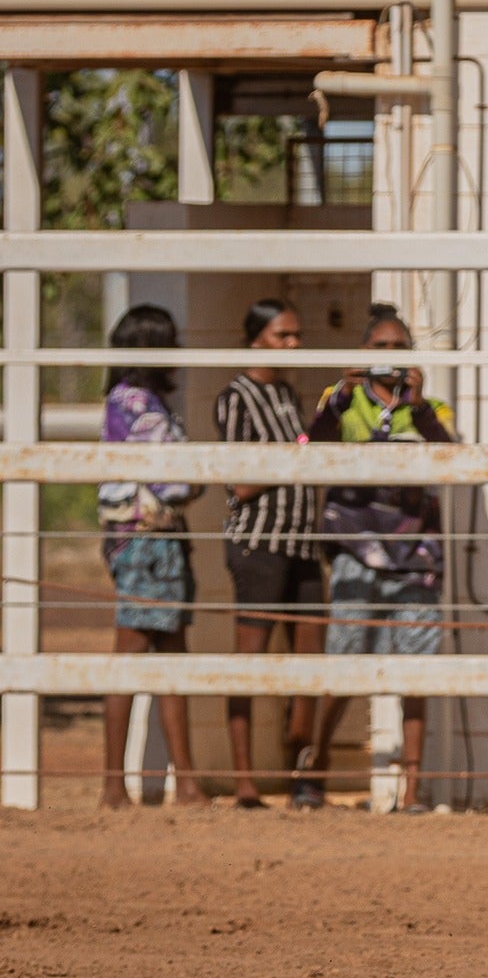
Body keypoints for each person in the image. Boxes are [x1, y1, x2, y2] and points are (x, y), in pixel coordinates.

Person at [302, 305, 454, 812]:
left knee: (416, 672)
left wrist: (419, 405)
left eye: (398, 350)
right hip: (355, 551)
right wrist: (343, 392)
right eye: (379, 350)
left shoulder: (431, 407)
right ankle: (313, 771)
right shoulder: (341, 402)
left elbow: (451, 456)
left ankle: (411, 791)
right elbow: (311, 444)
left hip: (416, 554)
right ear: (361, 356)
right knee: (342, 664)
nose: (388, 360)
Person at [214, 299, 326, 808]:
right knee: (249, 662)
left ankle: (302, 776)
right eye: (283, 336)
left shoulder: (285, 391)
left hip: (303, 542)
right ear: (256, 338)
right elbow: (240, 482)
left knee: (311, 664)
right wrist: (296, 456)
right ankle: (244, 781)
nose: (293, 345)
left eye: (296, 336)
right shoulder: (236, 397)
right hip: (259, 543)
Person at [96, 304, 205, 808]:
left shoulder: (134, 401)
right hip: (147, 538)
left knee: (168, 657)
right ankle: (117, 785)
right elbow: (172, 479)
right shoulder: (138, 403)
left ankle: (181, 782)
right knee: (135, 654)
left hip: (150, 538)